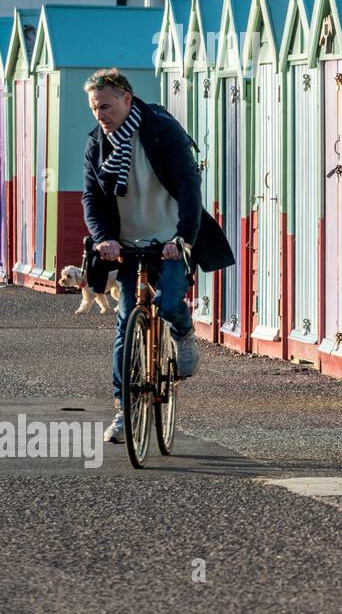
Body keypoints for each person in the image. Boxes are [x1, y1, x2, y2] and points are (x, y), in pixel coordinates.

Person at [81, 68, 234, 443]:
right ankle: (124, 410)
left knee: (167, 303)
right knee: (125, 321)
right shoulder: (97, 145)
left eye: (106, 105)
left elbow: (188, 186)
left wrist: (183, 237)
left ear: (127, 99)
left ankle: (182, 333)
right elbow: (92, 198)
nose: (100, 114)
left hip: (171, 239)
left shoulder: (163, 132)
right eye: (94, 108)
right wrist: (103, 238)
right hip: (129, 246)